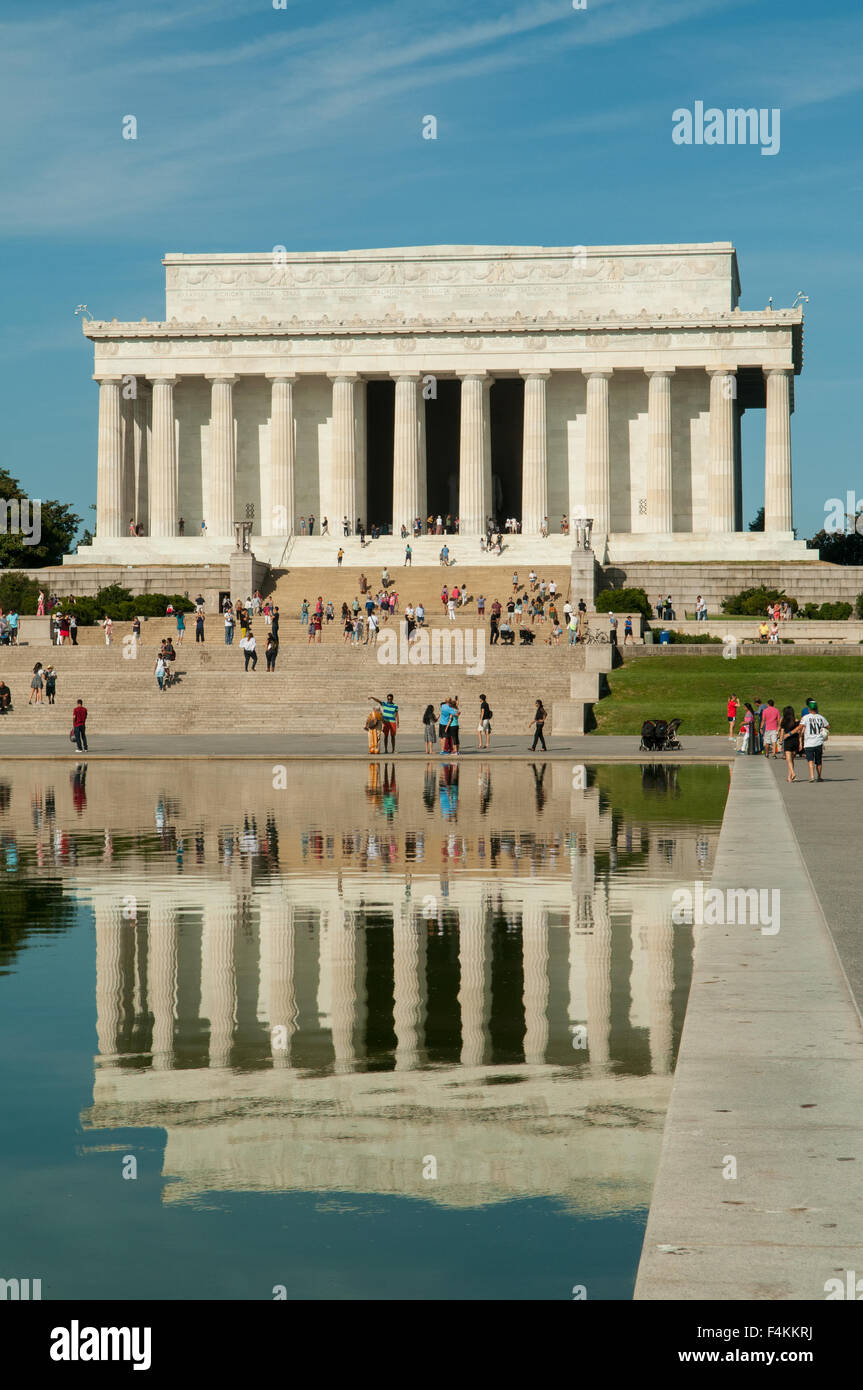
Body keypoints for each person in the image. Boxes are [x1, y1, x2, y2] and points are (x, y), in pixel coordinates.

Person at [799, 701, 830, 782]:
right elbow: (828, 726)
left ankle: (812, 776)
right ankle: (819, 776)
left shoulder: (805, 717)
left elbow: (800, 727)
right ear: (816, 708)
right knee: (818, 761)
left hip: (809, 742)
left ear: (809, 708)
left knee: (810, 760)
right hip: (818, 742)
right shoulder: (821, 717)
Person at [779, 705, 800, 782]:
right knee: (792, 760)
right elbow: (799, 731)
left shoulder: (784, 721)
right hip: (795, 741)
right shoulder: (796, 720)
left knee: (788, 760)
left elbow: (782, 732)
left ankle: (793, 773)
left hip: (788, 741)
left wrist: (780, 741)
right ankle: (789, 777)